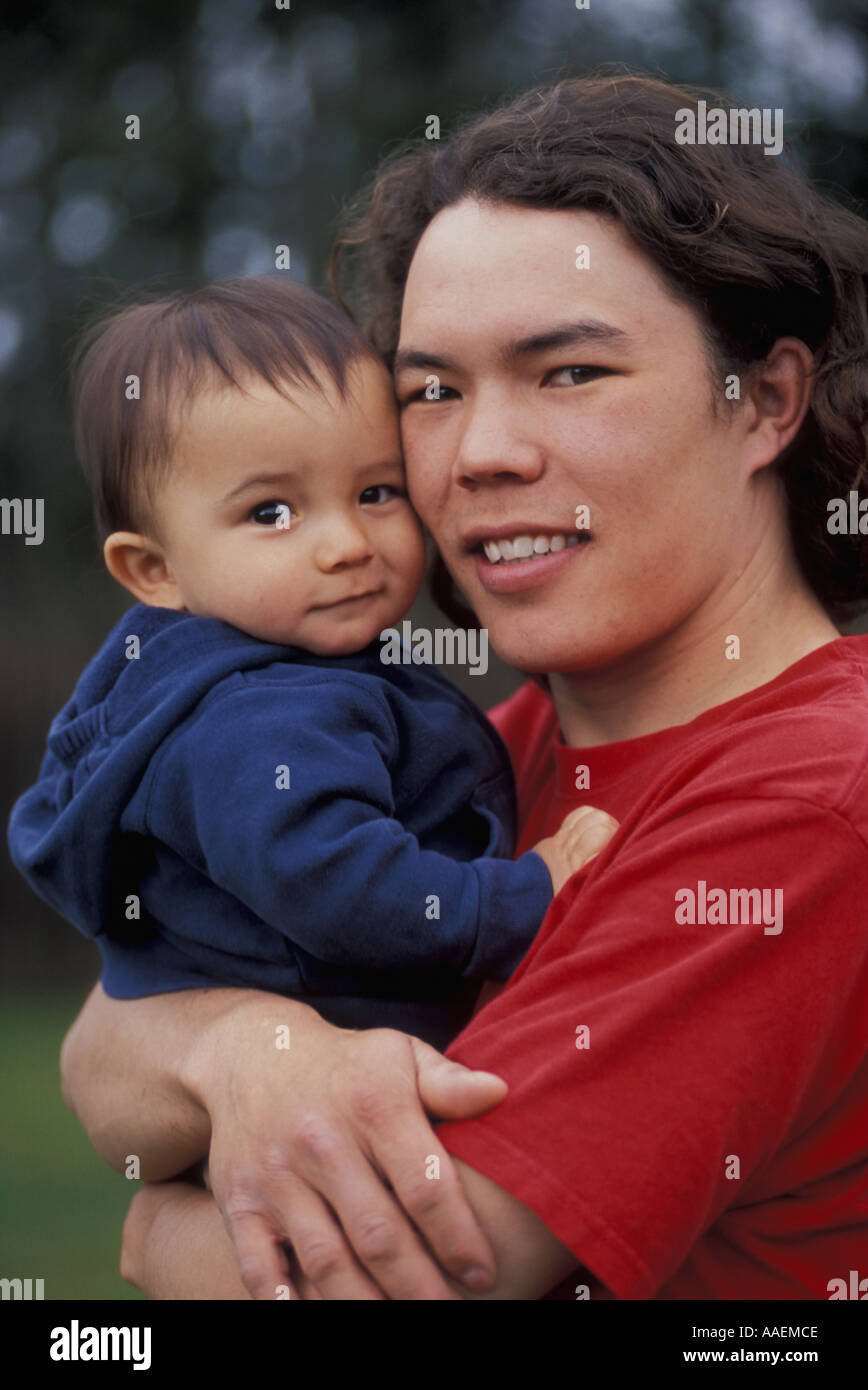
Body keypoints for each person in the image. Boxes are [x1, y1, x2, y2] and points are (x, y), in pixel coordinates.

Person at [60, 73, 868, 1301]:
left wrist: (159, 1235)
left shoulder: (810, 804)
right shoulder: (481, 746)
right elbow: (102, 1053)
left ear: (761, 401)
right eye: (433, 389)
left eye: (569, 373)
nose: (480, 452)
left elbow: (416, 1278)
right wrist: (243, 1049)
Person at [8, 277, 613, 1052]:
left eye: (375, 491)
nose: (347, 545)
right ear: (155, 570)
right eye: (271, 513)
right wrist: (526, 896)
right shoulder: (255, 715)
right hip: (346, 1071)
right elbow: (343, 887)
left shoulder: (288, 675)